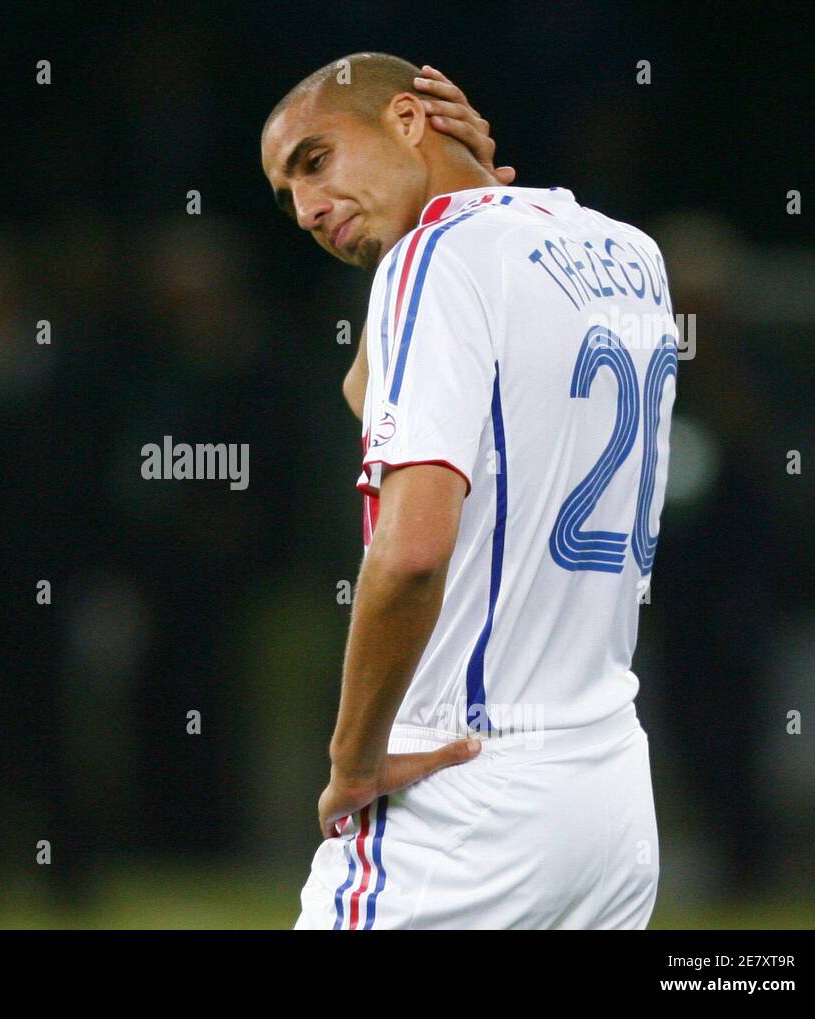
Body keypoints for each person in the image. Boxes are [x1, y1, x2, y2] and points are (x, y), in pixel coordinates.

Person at [261, 53, 673, 929]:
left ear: (409, 120)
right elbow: (367, 396)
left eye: (314, 161)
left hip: (461, 781)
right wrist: (470, 186)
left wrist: (352, 758)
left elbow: (410, 555)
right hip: (609, 787)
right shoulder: (632, 252)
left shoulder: (435, 261)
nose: (305, 210)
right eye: (286, 194)